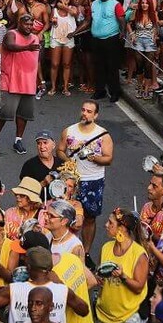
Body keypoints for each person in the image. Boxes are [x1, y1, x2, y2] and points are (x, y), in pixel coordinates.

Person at [57, 100, 114, 259]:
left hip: (93, 181)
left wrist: (93, 157)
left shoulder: (103, 135)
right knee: (65, 216)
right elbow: (60, 151)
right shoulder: (69, 131)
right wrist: (67, 160)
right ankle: (66, 249)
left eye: (89, 111)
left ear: (96, 115)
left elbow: (108, 159)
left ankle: (86, 252)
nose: (85, 114)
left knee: (89, 218)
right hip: (72, 181)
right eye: (83, 110)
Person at [0, 12, 41, 156]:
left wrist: (40, 80)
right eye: (26, 23)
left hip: (29, 82)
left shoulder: (35, 38)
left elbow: (36, 60)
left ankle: (18, 140)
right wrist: (26, 48)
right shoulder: (11, 34)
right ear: (19, 23)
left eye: (31, 24)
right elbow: (10, 46)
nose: (29, 26)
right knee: (3, 113)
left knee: (23, 114)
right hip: (10, 80)